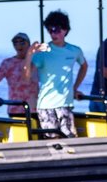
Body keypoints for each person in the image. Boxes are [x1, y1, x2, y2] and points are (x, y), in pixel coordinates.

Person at [23, 10, 88, 138]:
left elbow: (84, 66)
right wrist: (29, 54)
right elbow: (26, 78)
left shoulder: (75, 51)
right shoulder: (43, 51)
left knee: (70, 139)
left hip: (65, 104)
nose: (53, 34)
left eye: (56, 30)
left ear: (65, 30)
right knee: (53, 141)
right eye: (50, 30)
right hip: (45, 106)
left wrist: (75, 88)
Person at [0, 32, 37, 116]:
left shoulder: (37, 61)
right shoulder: (8, 63)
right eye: (15, 43)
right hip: (15, 108)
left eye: (22, 42)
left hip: (34, 109)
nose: (19, 45)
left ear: (29, 44)